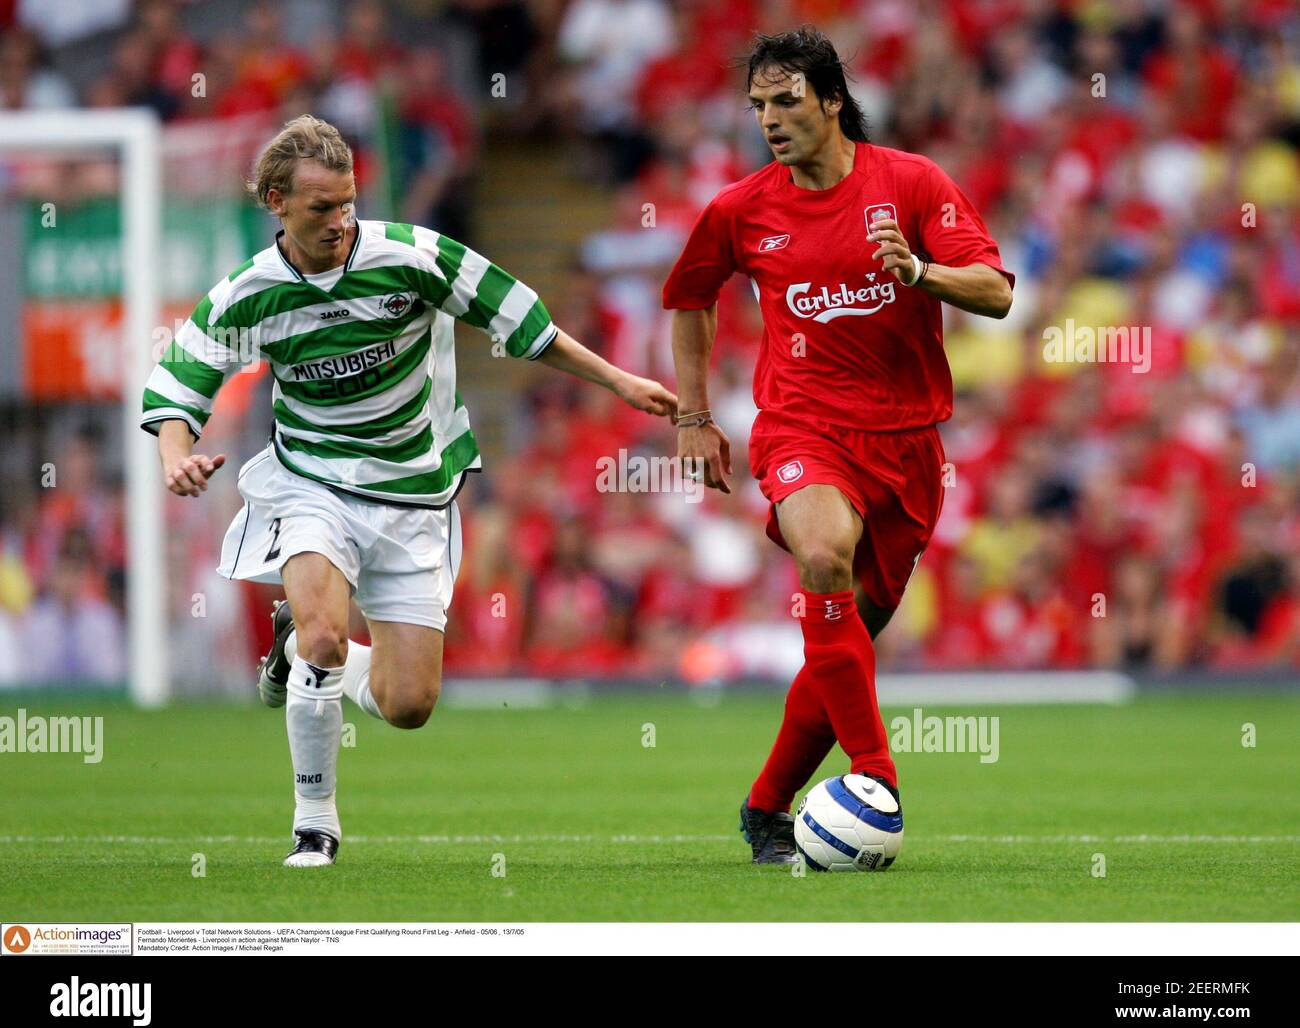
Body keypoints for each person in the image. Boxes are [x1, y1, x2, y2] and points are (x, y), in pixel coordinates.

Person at [142, 115, 675, 867]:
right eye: (321, 208)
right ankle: (314, 822)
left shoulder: (413, 256)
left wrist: (619, 380)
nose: (340, 222)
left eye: (349, 202)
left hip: (414, 491)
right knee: (330, 632)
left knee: (408, 704)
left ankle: (293, 646)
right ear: (275, 202)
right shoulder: (248, 294)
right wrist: (175, 454)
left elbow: (521, 321)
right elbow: (180, 383)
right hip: (311, 481)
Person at [663, 27, 1014, 864]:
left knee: (844, 640)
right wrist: (692, 414)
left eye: (786, 100)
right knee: (821, 558)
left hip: (908, 447)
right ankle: (876, 773)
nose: (770, 119)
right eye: (757, 106)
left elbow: (996, 293)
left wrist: (922, 274)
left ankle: (765, 806)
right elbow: (691, 297)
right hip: (802, 427)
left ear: (830, 100)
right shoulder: (741, 209)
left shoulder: (914, 183)